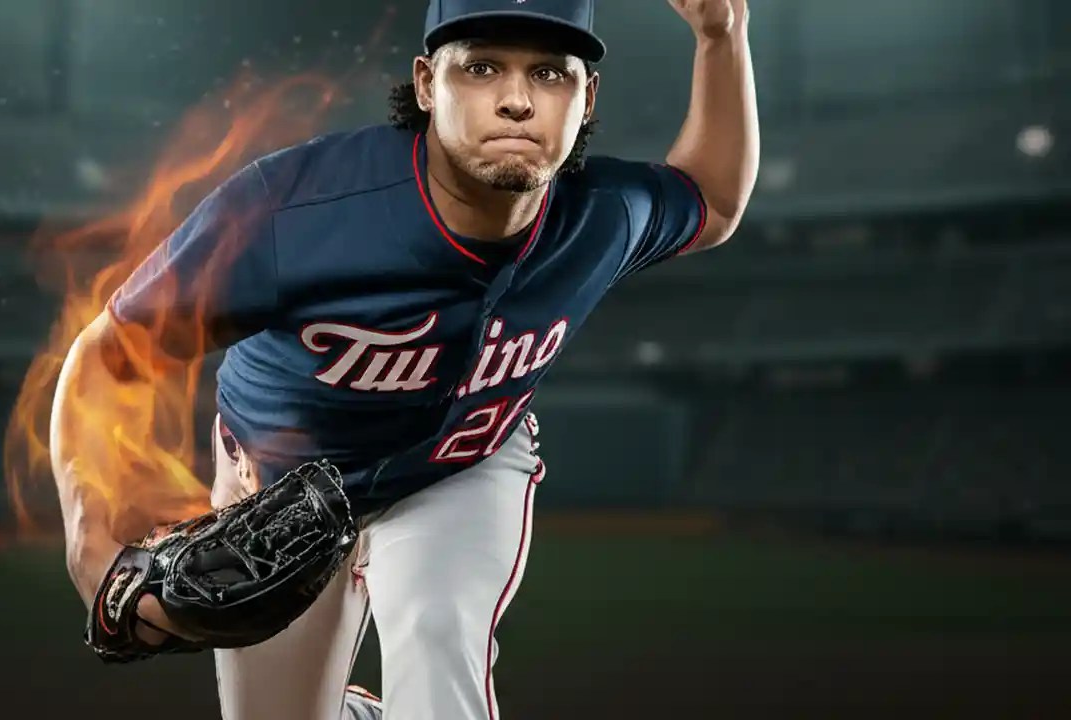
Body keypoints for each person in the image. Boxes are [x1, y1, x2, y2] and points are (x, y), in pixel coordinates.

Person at [51, 0, 758, 717]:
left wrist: (721, 35)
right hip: (277, 484)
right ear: (426, 83)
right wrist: (90, 546)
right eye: (481, 67)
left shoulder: (601, 214)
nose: (517, 100)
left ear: (587, 98)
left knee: (435, 630)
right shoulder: (294, 210)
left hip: (461, 466)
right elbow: (110, 353)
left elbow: (714, 200)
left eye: (549, 73)